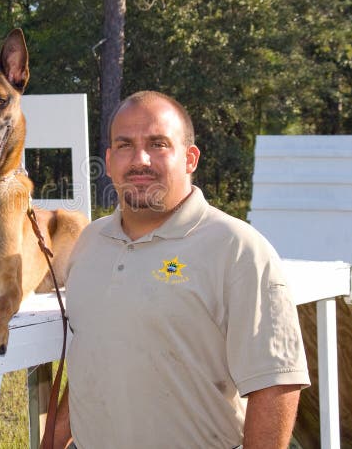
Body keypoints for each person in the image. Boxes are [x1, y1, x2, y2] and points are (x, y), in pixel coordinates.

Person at [55, 91, 310, 448]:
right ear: (109, 161)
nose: (140, 159)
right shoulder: (90, 242)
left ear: (190, 158)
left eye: (158, 144)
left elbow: (276, 383)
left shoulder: (237, 248)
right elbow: (91, 360)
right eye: (125, 145)